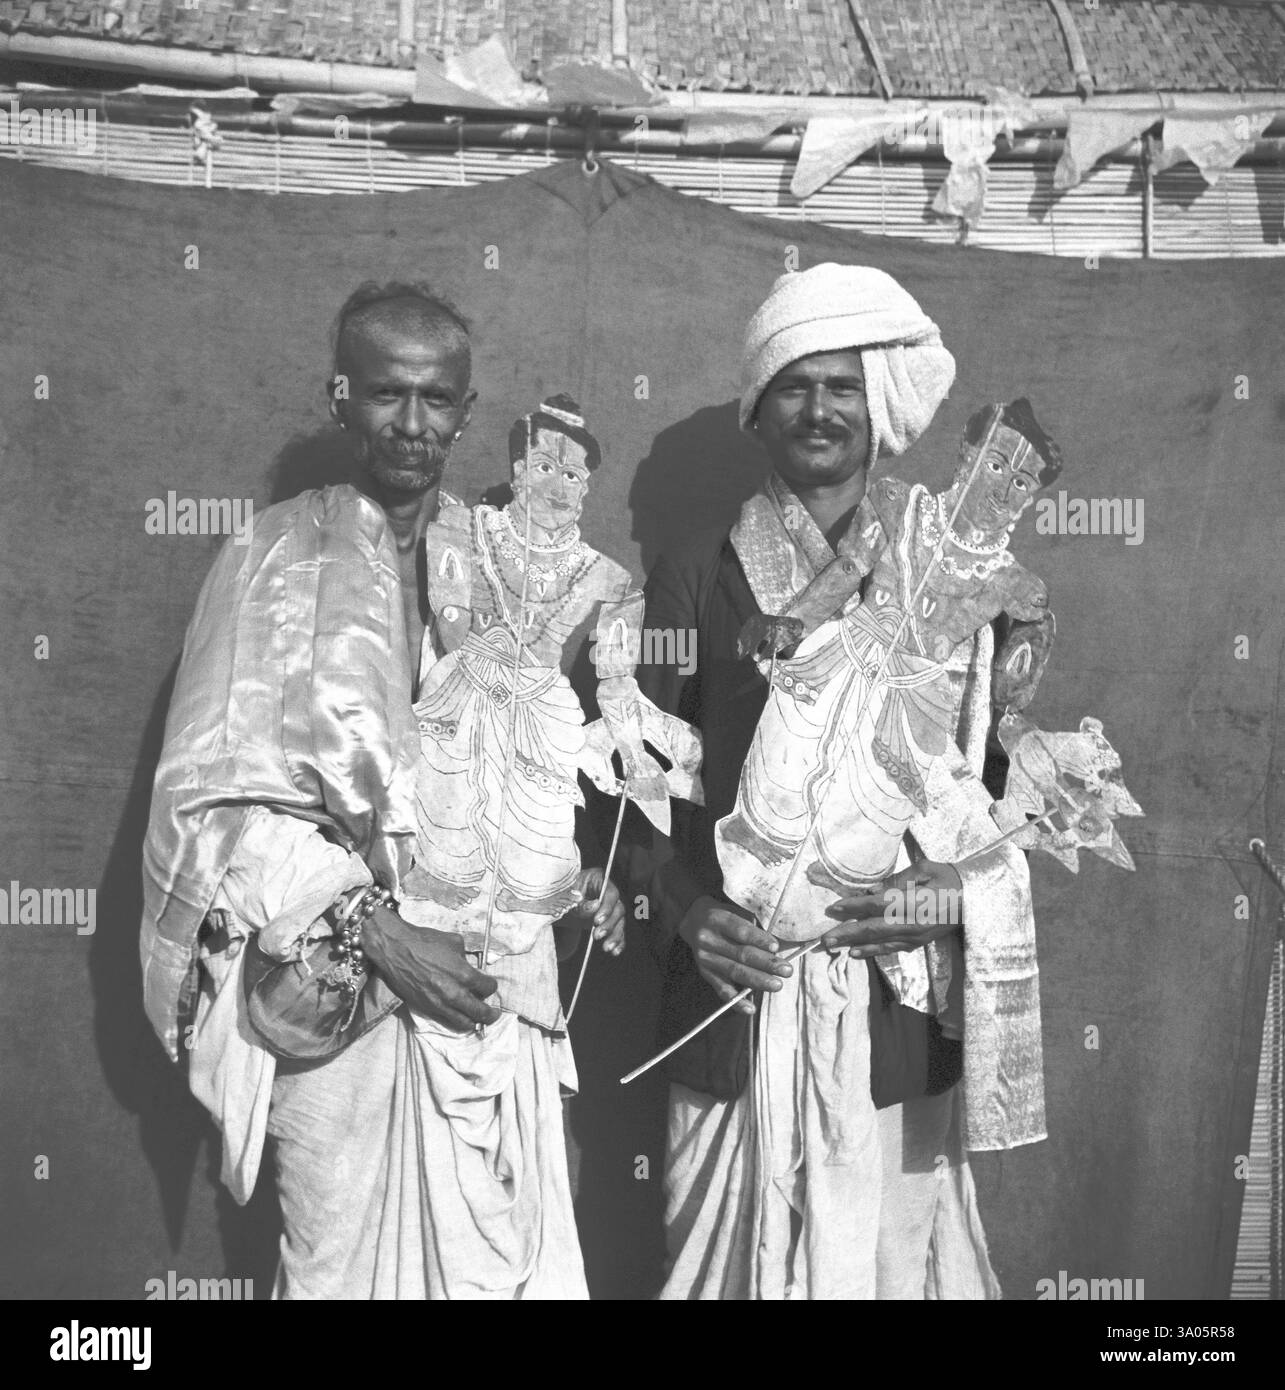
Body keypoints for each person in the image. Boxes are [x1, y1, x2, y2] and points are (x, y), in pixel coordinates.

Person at [140, 282, 623, 1299]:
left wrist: (566, 879)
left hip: (491, 995)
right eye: (387, 395)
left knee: (507, 1267)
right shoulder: (273, 552)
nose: (413, 424)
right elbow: (215, 806)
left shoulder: (502, 568)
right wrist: (380, 931)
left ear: (465, 406)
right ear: (340, 397)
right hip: (341, 992)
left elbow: (529, 766)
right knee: (336, 1270)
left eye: (438, 399)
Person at [633, 263, 1048, 1300]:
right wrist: (687, 915)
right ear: (758, 404)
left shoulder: (950, 568)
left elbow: (993, 807)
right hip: (732, 997)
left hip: (896, 1006)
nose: (819, 408)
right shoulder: (695, 568)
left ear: (882, 404)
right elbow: (631, 789)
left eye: (843, 385)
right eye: (795, 384)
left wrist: (941, 896)